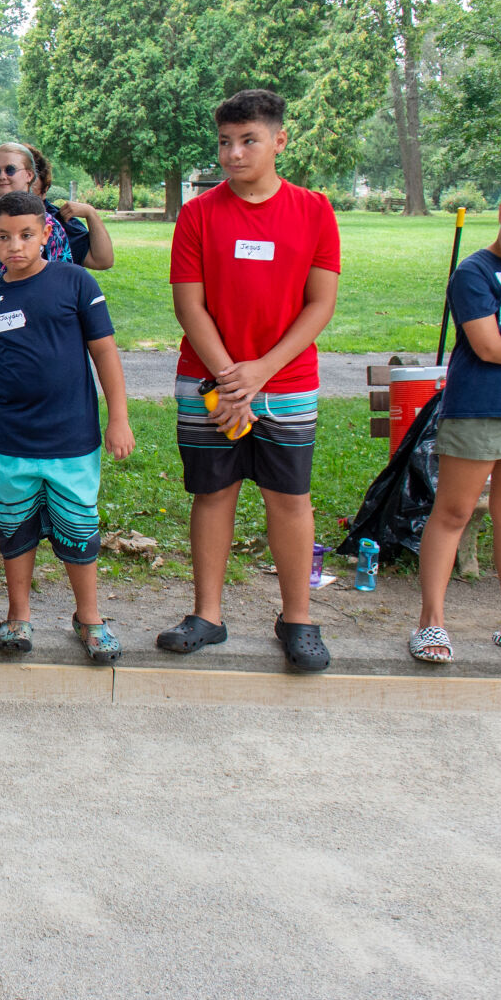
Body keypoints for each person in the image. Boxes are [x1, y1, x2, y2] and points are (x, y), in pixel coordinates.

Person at [159, 89, 340, 673]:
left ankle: (298, 619)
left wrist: (261, 371)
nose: (233, 154)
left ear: (279, 140)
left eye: (248, 141)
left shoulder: (315, 210)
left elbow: (320, 305)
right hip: (209, 379)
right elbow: (190, 306)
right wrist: (229, 376)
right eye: (224, 143)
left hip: (286, 381)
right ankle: (207, 616)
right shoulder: (199, 213)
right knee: (213, 492)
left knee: (289, 497)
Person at [0, 191, 135, 663]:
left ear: (45, 234)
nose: (14, 245)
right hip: (13, 441)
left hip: (73, 440)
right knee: (15, 530)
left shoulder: (74, 282)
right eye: (3, 237)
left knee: (79, 531)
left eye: (25, 235)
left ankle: (91, 618)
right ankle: (19, 615)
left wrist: (118, 417)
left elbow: (105, 353)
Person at [0, 142, 114, 520]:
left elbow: (77, 280)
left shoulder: (53, 227)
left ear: (30, 175)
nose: (2, 176)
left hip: (41, 349)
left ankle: (52, 504)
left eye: (10, 169)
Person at [411, 178, 501, 664]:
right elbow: (488, 346)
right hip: (480, 405)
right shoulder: (474, 272)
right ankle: (430, 623)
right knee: (455, 512)